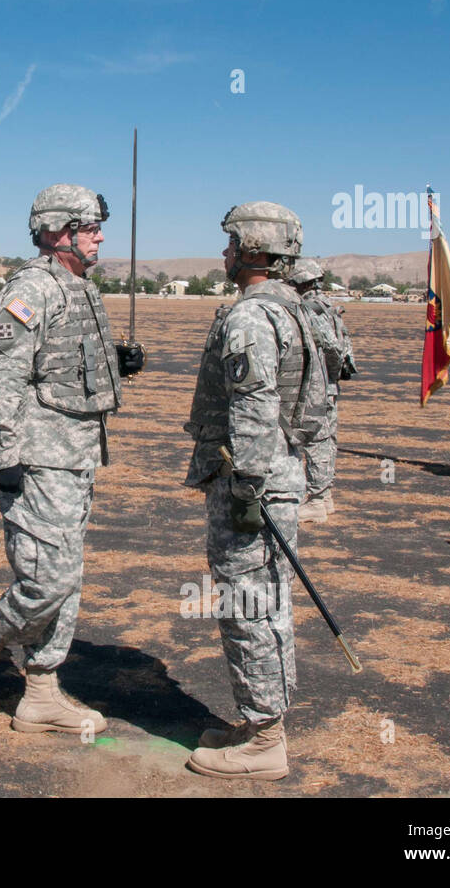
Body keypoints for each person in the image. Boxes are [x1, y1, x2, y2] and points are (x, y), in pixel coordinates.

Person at [0, 183, 143, 734]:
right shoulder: (33, 289)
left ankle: (40, 690)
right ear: (59, 230)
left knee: (69, 576)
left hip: (79, 455)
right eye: (90, 228)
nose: (100, 236)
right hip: (38, 458)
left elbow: (64, 363)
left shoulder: (81, 288)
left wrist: (116, 363)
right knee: (48, 578)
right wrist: (3, 452)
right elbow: (3, 372)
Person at [182, 202, 326, 781]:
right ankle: (258, 720)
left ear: (255, 250)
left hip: (253, 484)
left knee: (247, 603)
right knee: (265, 602)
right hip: (274, 477)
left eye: (232, 243)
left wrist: (246, 484)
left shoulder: (250, 317)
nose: (225, 253)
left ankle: (264, 738)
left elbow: (254, 406)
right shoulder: (291, 310)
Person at [287, 258, 356, 521]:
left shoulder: (310, 308)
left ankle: (317, 499)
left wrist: (324, 374)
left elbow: (332, 348)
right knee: (327, 440)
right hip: (329, 384)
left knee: (317, 440)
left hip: (320, 386)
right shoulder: (327, 305)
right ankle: (324, 497)